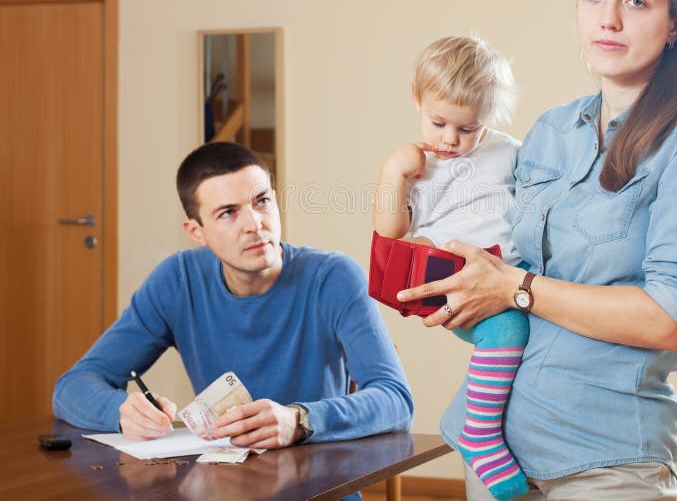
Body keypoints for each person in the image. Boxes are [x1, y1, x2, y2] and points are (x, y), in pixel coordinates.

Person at [396, 0, 677, 500]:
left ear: (676, 21)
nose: (608, 19)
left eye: (635, 1)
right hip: (495, 455)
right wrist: (462, 290)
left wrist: (514, 288)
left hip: (606, 463)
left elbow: (665, 319)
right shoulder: (551, 130)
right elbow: (494, 248)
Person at [54, 142, 413, 454]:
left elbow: (396, 400)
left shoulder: (334, 277)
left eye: (262, 201)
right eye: (228, 212)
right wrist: (121, 411)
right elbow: (72, 387)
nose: (255, 224)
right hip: (222, 485)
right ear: (196, 231)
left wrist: (300, 420)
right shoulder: (177, 281)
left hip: (322, 485)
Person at [374, 36, 530, 500]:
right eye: (438, 122)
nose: (450, 139)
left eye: (467, 128)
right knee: (508, 329)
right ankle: (478, 433)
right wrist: (392, 173)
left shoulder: (509, 152)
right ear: (417, 100)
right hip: (452, 280)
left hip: (508, 273)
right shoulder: (418, 164)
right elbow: (389, 232)